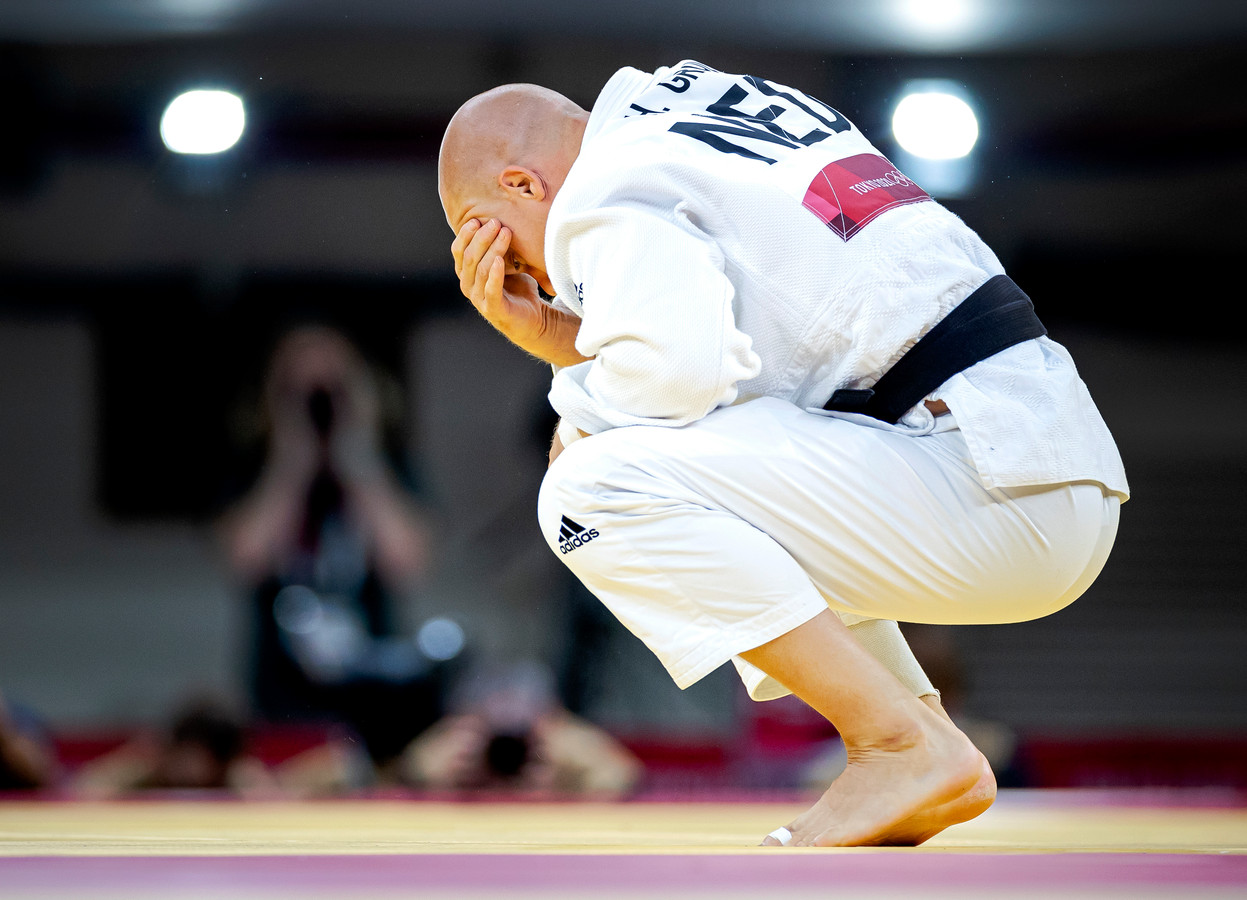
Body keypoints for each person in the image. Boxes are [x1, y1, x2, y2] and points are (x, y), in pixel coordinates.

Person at [437, 60, 1128, 847]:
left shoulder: (602, 187)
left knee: (585, 490)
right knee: (676, 474)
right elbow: (719, 369)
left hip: (985, 479)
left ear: (523, 185)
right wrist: (552, 336)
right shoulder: (695, 109)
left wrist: (571, 412)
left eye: (502, 245)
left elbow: (676, 381)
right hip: (1030, 458)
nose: (528, 275)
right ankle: (926, 743)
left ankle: (896, 743)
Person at [218, 324, 447, 779]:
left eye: (333, 389)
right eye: (299, 391)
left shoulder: (386, 465)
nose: (319, 405)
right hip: (280, 695)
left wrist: (359, 455)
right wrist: (291, 459)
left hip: (372, 695)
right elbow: (246, 559)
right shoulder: (256, 464)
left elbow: (407, 563)